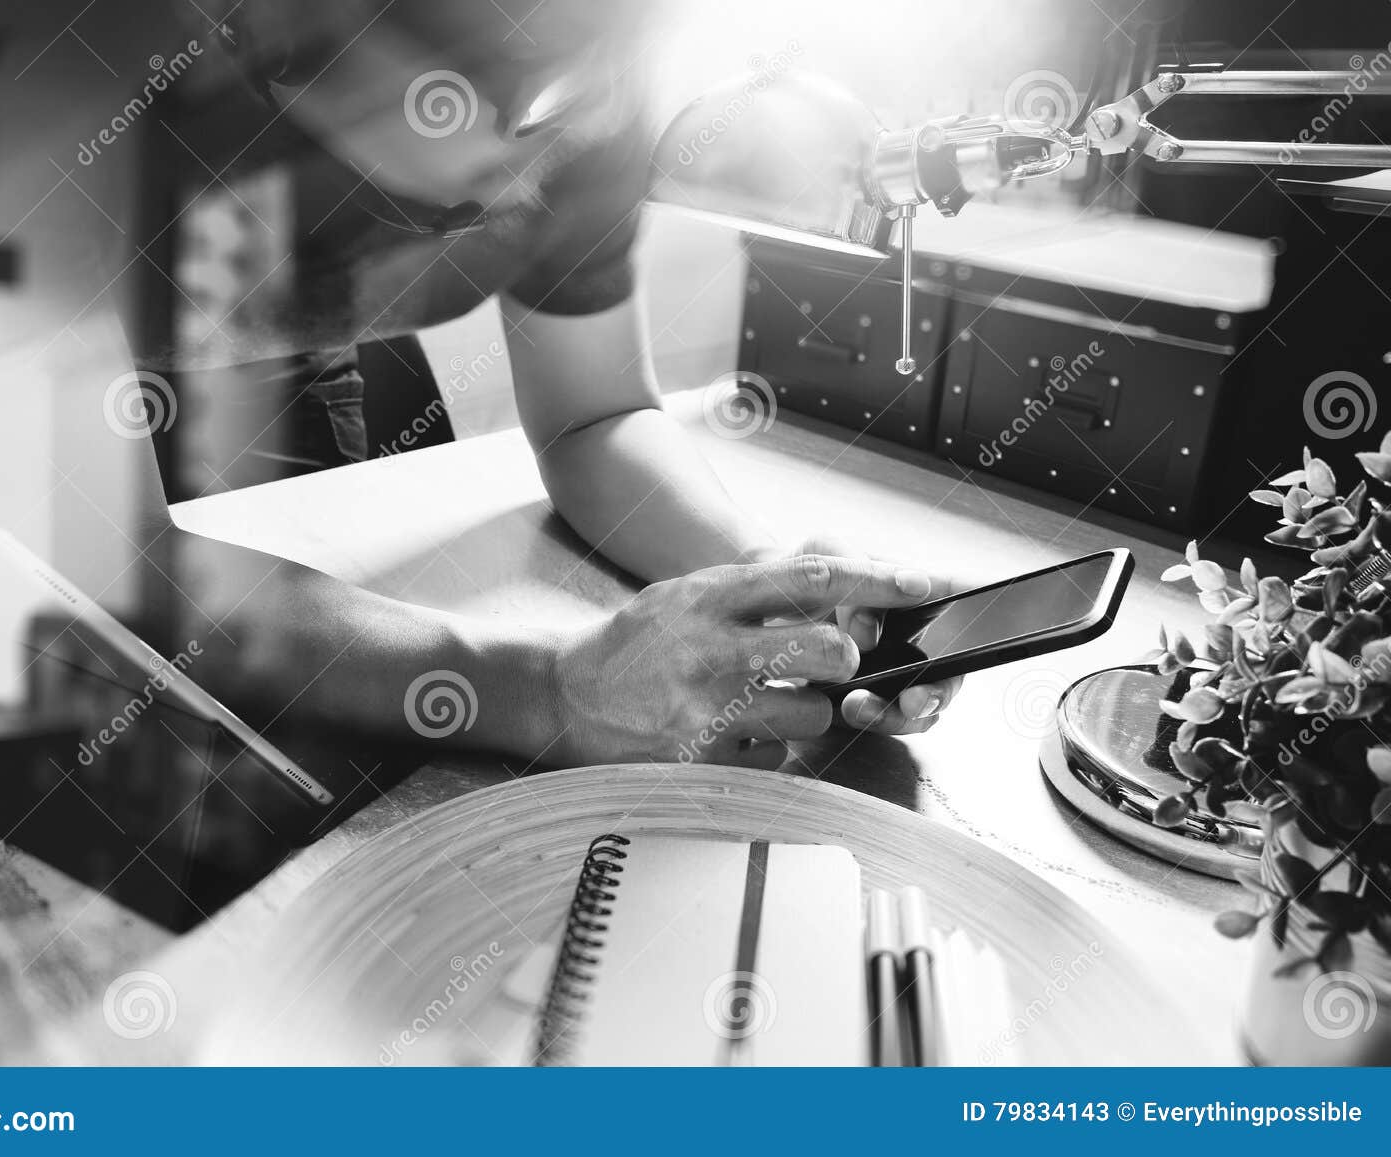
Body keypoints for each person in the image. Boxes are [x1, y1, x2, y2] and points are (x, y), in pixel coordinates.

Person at [135, 0, 962, 772]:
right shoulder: (68, 90)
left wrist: (764, 584)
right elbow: (66, 564)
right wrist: (545, 689)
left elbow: (593, 416)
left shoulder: (586, 98)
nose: (593, 134)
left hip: (290, 373)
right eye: (538, 98)